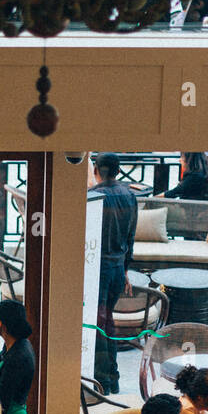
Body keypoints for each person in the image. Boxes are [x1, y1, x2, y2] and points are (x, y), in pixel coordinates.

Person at [90, 152, 138, 393]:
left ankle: (103, 381)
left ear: (96, 169)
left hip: (98, 270)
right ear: (118, 171)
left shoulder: (94, 198)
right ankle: (111, 379)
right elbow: (131, 238)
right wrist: (126, 271)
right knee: (107, 321)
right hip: (118, 269)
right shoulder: (129, 195)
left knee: (100, 325)